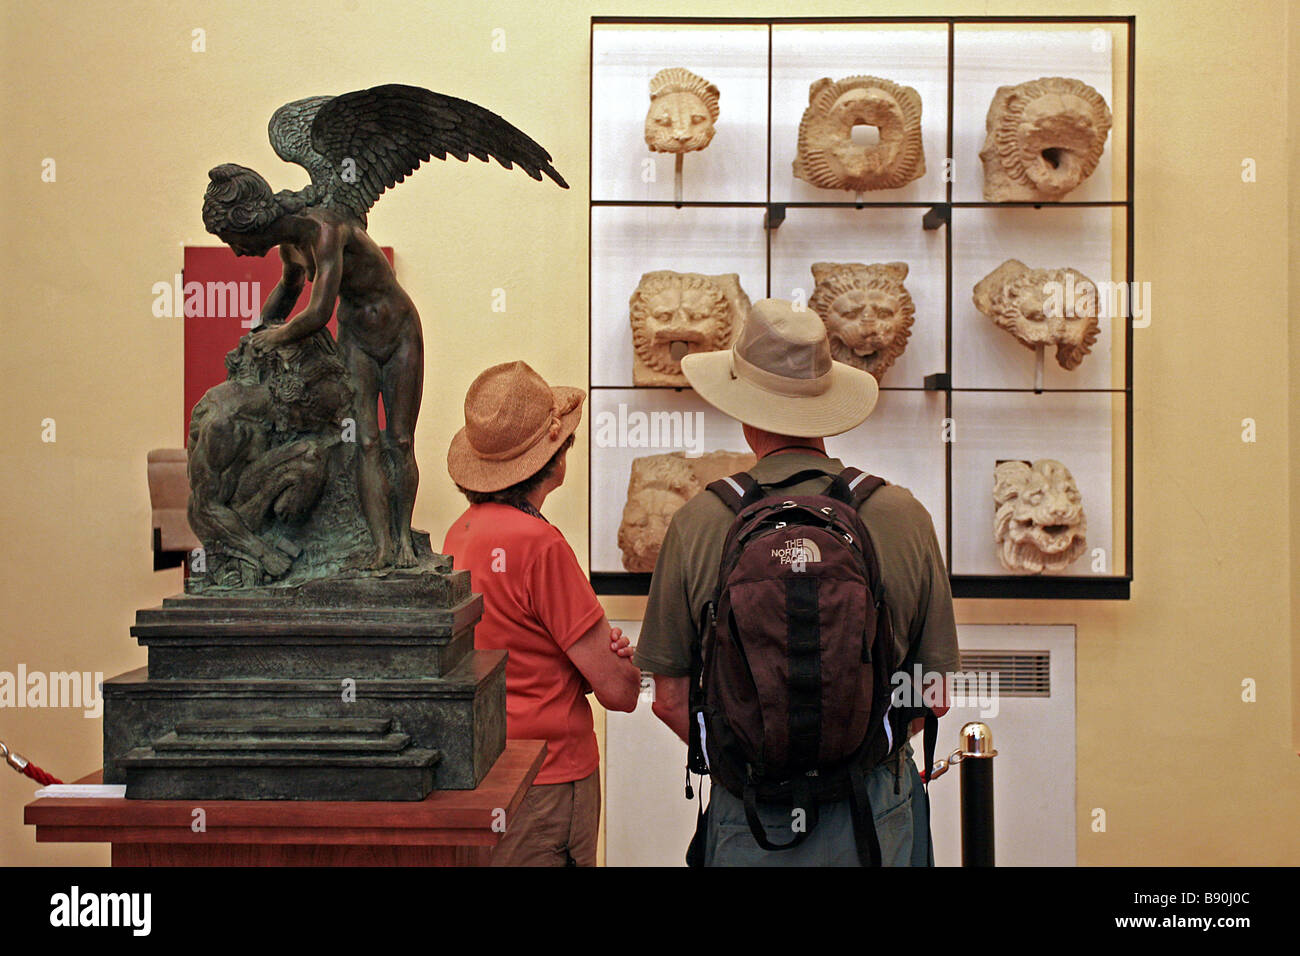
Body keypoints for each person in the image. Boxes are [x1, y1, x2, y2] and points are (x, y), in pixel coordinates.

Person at [634, 299, 960, 866]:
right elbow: (932, 696)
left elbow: (668, 700)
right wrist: (852, 756)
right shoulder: (904, 515)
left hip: (752, 819)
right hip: (874, 814)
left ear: (743, 409)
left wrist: (752, 758)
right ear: (827, 404)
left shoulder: (699, 521)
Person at [443, 360, 641, 866]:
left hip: (483, 772)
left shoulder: (460, 532)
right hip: (548, 780)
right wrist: (615, 660)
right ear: (552, 459)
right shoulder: (540, 544)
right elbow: (619, 692)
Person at [202, 163, 422, 571]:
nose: (237, 253)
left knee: (401, 441)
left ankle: (405, 539)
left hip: (400, 331)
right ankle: (382, 547)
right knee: (366, 443)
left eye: (236, 242)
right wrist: (258, 332)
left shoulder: (325, 231)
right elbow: (288, 291)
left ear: (254, 226)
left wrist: (277, 336)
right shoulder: (292, 246)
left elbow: (319, 311)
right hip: (356, 336)